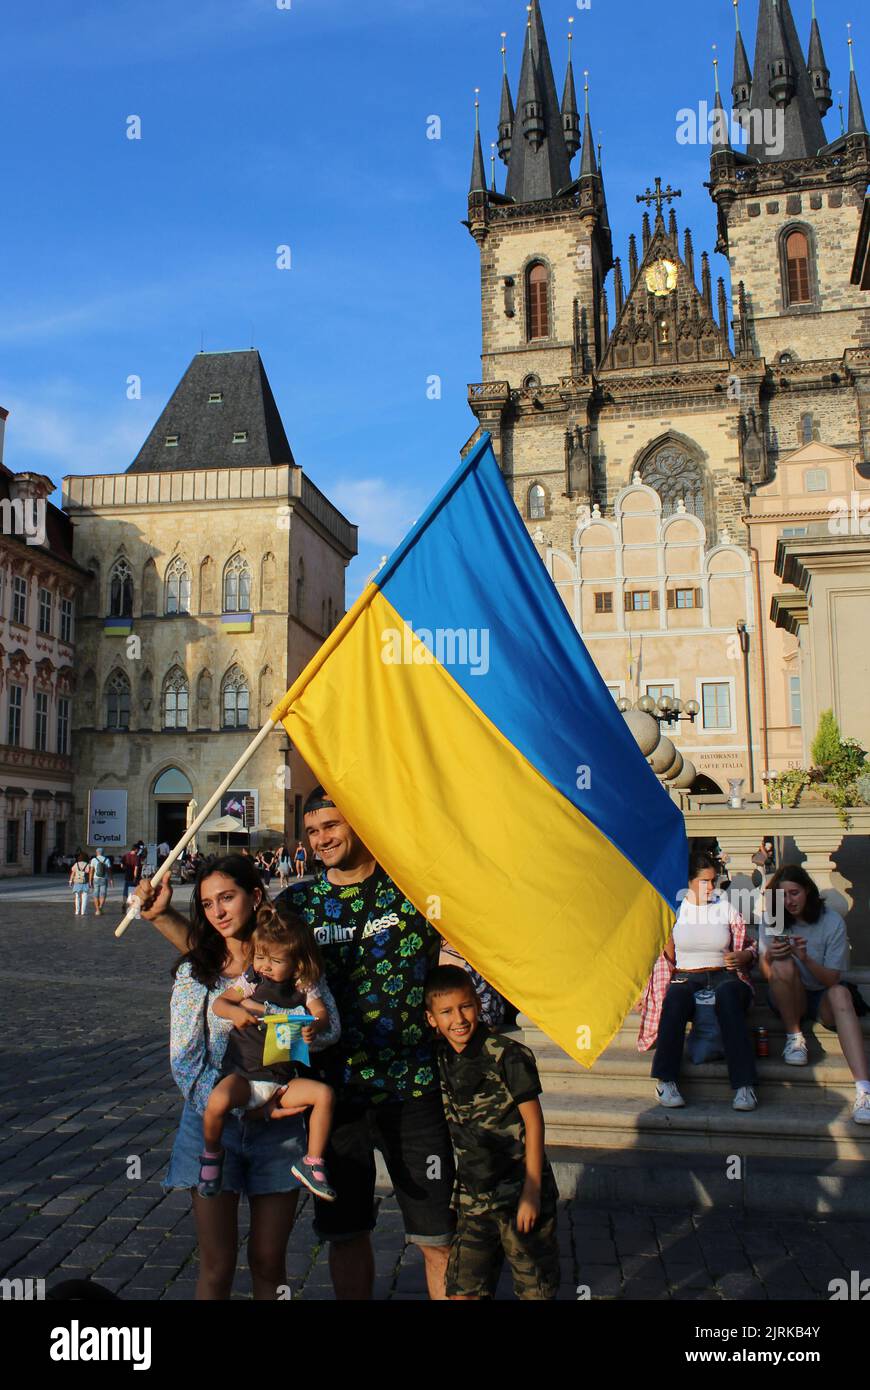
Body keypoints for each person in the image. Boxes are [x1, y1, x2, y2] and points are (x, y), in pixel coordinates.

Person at [276, 786, 455, 1301]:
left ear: (359, 822)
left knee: (437, 1233)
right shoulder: (296, 905)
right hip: (335, 1097)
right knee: (345, 1232)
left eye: (330, 826)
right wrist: (165, 917)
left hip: (412, 1089)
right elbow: (244, 967)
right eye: (312, 831)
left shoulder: (414, 889)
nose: (321, 839)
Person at [133, 855, 310, 1300]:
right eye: (208, 903)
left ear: (254, 897)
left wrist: (306, 1034)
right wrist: (234, 1099)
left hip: (279, 1125)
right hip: (211, 1126)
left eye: (227, 897)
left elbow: (319, 1033)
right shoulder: (198, 970)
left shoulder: (290, 961)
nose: (218, 911)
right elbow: (185, 1058)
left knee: (271, 1263)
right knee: (217, 1265)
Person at [424, 965, 560, 1301]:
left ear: (479, 1004)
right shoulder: (437, 1059)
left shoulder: (507, 1054)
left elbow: (534, 1121)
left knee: (535, 1289)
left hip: (519, 1192)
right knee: (463, 1290)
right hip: (473, 1198)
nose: (458, 1019)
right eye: (446, 1012)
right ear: (432, 1020)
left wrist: (532, 1190)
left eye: (465, 1006)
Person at [200, 900, 339, 1201]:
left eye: (274, 961)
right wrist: (235, 1013)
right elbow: (220, 1003)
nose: (265, 966)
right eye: (260, 957)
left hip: (281, 1079)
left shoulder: (304, 985)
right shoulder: (251, 979)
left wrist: (314, 1025)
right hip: (244, 1075)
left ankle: (312, 1162)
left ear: (297, 963)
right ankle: (212, 1154)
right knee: (218, 1100)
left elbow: (321, 1013)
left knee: (323, 1095)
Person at [638, 850, 759, 1112]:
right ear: (689, 882)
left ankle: (744, 1085)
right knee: (675, 999)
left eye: (714, 880)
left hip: (723, 974)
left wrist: (744, 955)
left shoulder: (724, 906)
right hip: (687, 975)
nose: (712, 887)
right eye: (705, 881)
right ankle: (666, 1080)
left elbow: (750, 945)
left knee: (728, 998)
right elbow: (666, 956)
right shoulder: (675, 909)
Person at [759, 864, 870, 1125]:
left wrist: (805, 958)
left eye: (794, 893)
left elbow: (832, 979)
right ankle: (795, 1037)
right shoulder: (773, 918)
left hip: (822, 994)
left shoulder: (830, 920)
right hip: (788, 995)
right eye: (783, 895)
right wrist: (768, 957)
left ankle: (864, 1090)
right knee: (782, 964)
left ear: (807, 890)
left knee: (841, 993)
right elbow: (767, 975)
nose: (789, 901)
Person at [88, 848, 113, 916]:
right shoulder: (107, 860)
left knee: (96, 894)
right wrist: (111, 879)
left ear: (97, 852)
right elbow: (109, 871)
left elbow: (91, 871)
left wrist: (90, 880)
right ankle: (101, 907)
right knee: (103, 894)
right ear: (103, 853)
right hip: (104, 879)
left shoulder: (93, 860)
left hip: (95, 879)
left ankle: (97, 910)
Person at [69, 851, 90, 916]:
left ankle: (77, 911)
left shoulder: (76, 864)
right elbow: (89, 873)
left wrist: (70, 881)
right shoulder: (87, 865)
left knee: (77, 897)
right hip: (85, 882)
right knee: (84, 897)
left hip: (77, 882)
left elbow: (73, 873)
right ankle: (83, 911)